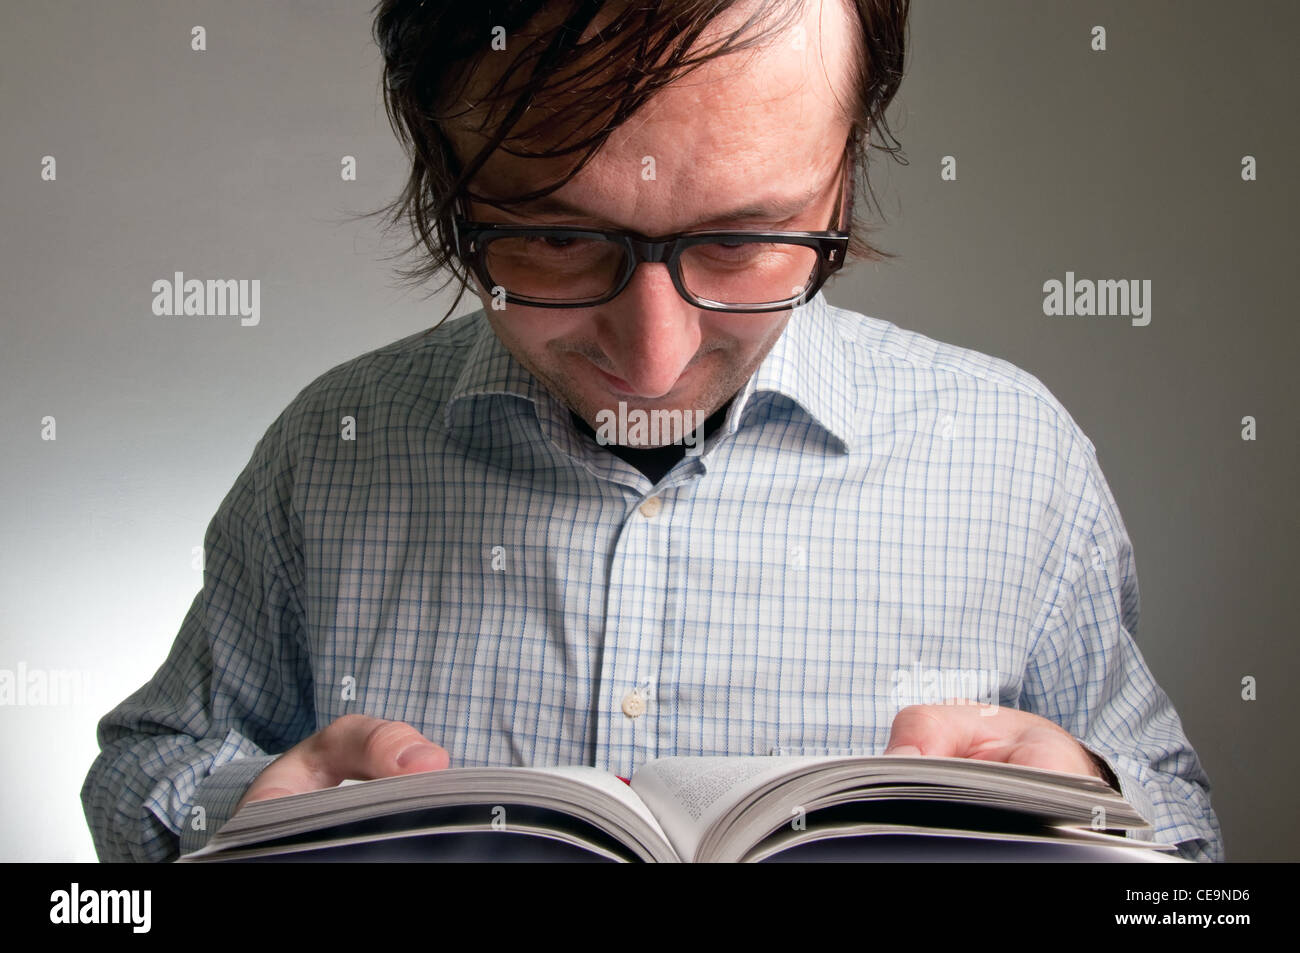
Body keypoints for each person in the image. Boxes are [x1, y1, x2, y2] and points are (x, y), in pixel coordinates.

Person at [81, 0, 1223, 862]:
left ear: (841, 180)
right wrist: (236, 823)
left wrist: (1092, 804)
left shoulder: (1014, 454)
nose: (654, 356)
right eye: (558, 241)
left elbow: (1192, 860)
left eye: (743, 241)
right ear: (444, 173)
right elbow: (140, 773)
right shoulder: (328, 450)